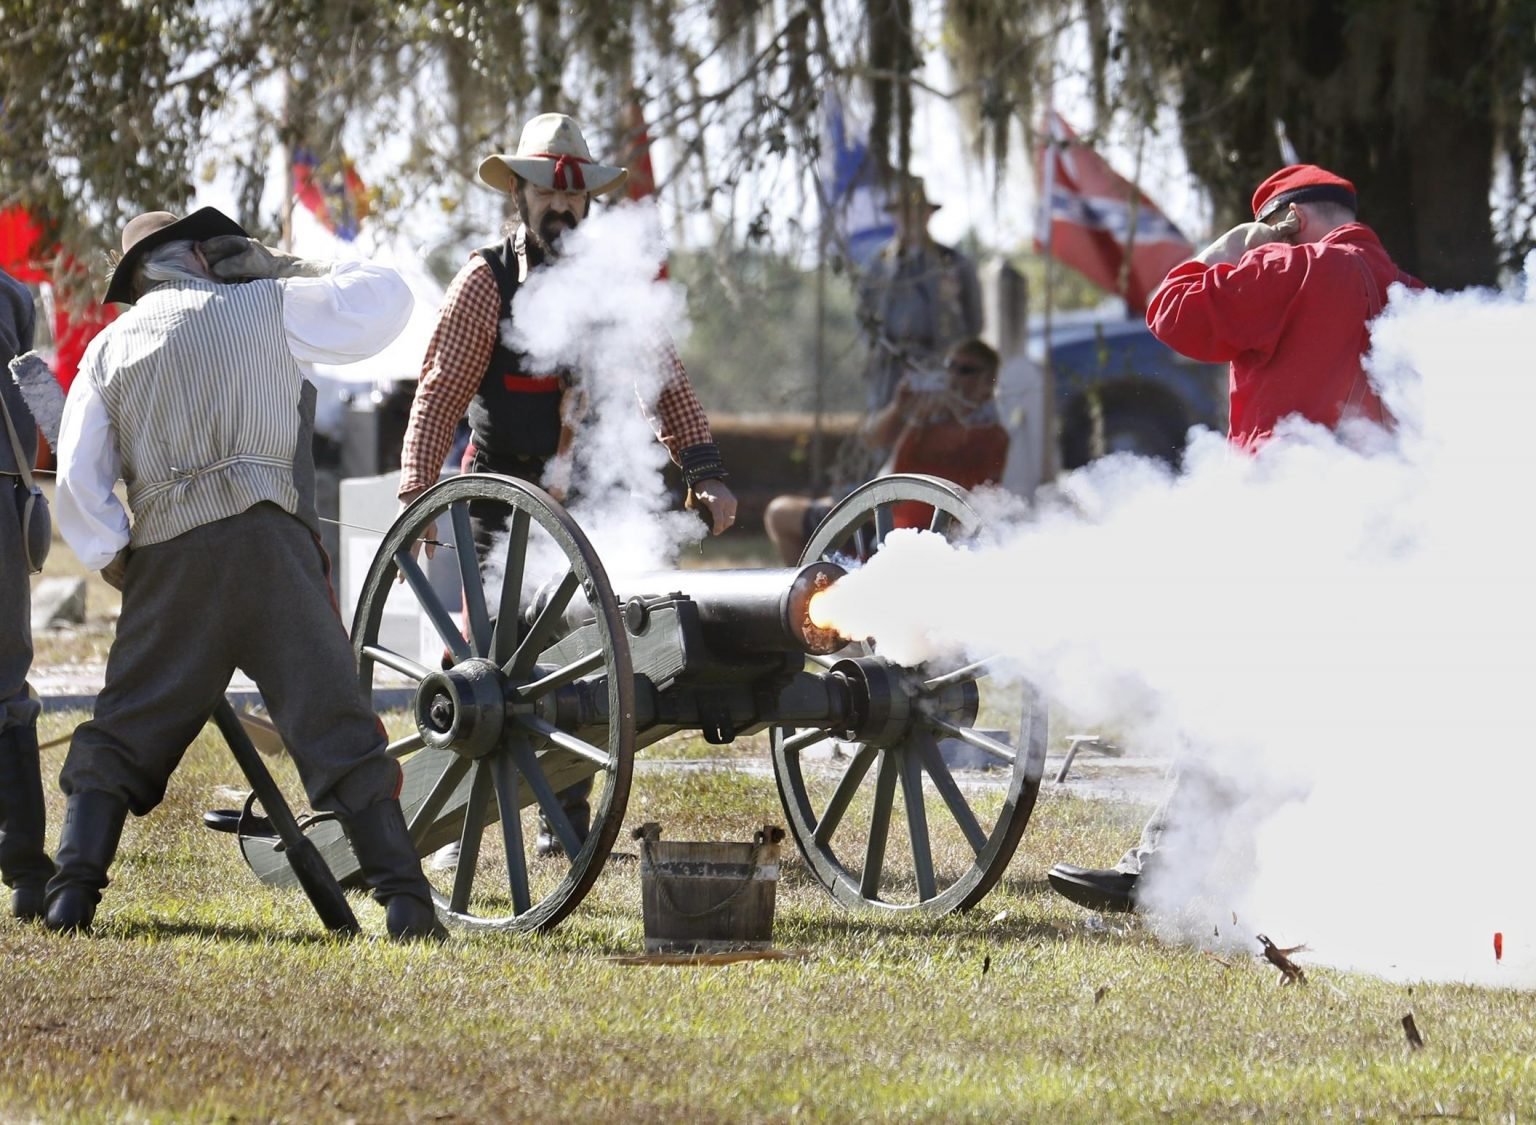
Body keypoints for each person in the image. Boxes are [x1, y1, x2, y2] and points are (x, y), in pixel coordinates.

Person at [49, 207, 444, 940]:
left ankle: (71, 895)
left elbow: (79, 481)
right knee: (336, 724)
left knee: (124, 729)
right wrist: (286, 266)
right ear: (204, 255)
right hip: (274, 553)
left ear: (138, 281)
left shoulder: (106, 349)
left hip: (168, 560)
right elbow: (387, 300)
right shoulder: (270, 302)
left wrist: (119, 557)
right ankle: (406, 904)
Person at [1048, 163, 1425, 914]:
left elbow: (1173, 312)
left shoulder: (1293, 264)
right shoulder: (1411, 293)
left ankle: (1161, 869)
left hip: (1287, 523)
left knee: (1230, 699)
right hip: (1388, 526)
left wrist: (1228, 248)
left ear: (1289, 219)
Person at [397, 112, 738, 856]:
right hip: (500, 500)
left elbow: (665, 383)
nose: (561, 205)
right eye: (547, 192)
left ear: (589, 201)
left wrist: (705, 471)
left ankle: (565, 823)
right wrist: (417, 496)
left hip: (588, 506)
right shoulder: (486, 281)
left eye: (573, 194)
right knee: (486, 662)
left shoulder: (616, 286)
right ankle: (451, 811)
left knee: (587, 659)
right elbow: (439, 393)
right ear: (519, 196)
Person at [763, 337, 1009, 563]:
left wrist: (927, 419)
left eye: (965, 370)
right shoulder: (932, 417)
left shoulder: (991, 433)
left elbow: (937, 469)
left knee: (781, 513)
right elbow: (871, 438)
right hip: (882, 519)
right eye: (950, 367)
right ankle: (809, 589)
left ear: (987, 383)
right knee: (784, 512)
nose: (953, 376)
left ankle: (808, 590)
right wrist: (899, 408)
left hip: (911, 537)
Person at [856, 175, 983, 466]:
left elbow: (974, 322)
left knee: (936, 441)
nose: (911, 218)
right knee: (886, 442)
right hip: (890, 370)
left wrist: (954, 363)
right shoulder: (878, 264)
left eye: (916, 210)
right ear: (895, 215)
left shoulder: (954, 263)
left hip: (938, 365)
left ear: (927, 214)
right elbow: (863, 319)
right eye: (904, 211)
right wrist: (880, 353)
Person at [0, 265, 55, 920]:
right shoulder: (13, 294)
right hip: (1, 503)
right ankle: (25, 876)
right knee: (6, 685)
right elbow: (38, 394)